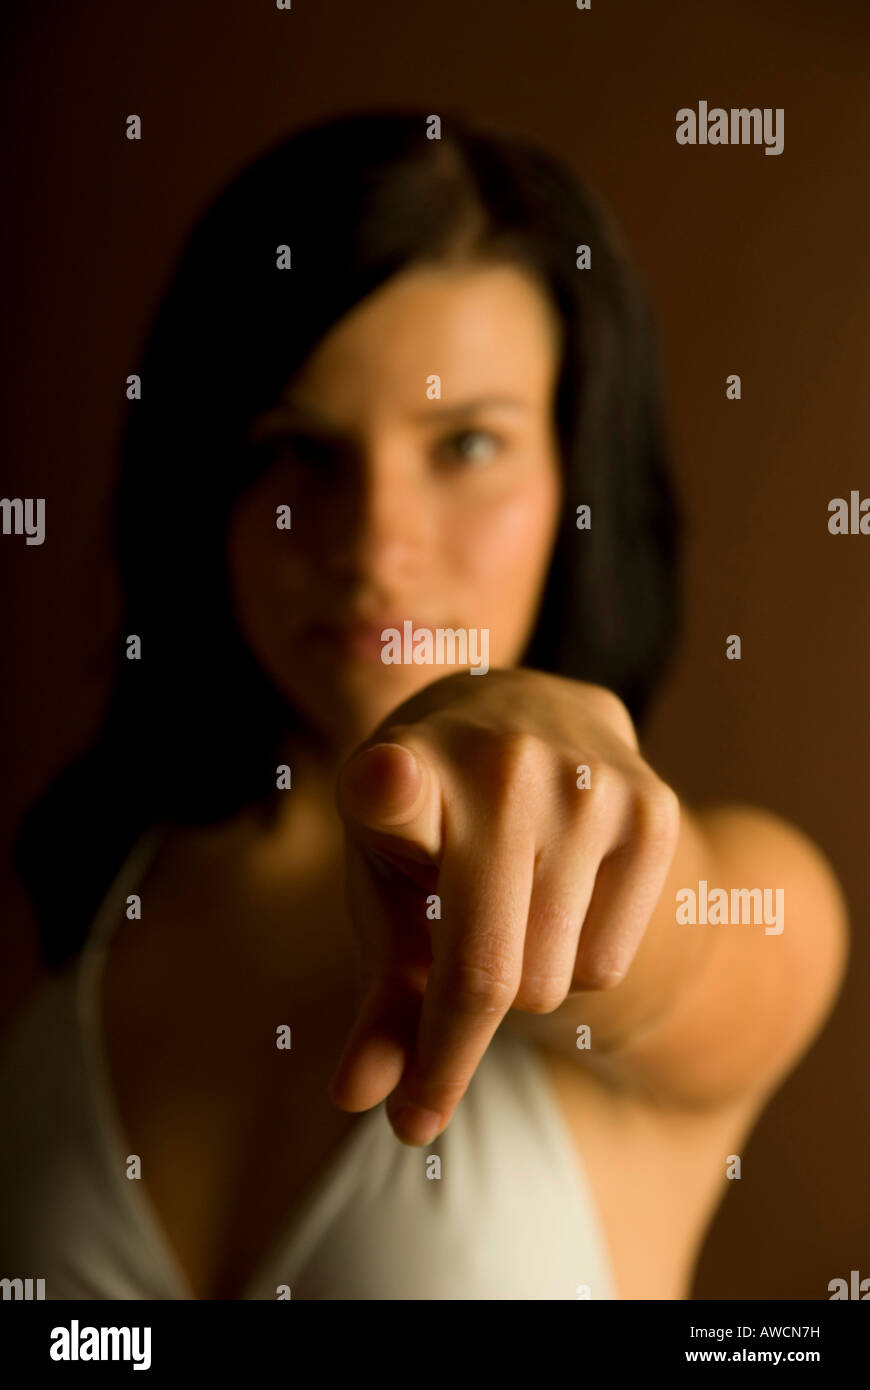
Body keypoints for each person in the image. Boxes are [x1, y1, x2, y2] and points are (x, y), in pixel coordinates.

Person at [1, 110, 849, 1301]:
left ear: (576, 478)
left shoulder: (745, 897)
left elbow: (685, 954)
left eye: (464, 445)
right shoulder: (86, 903)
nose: (372, 550)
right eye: (299, 449)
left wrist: (566, 785)